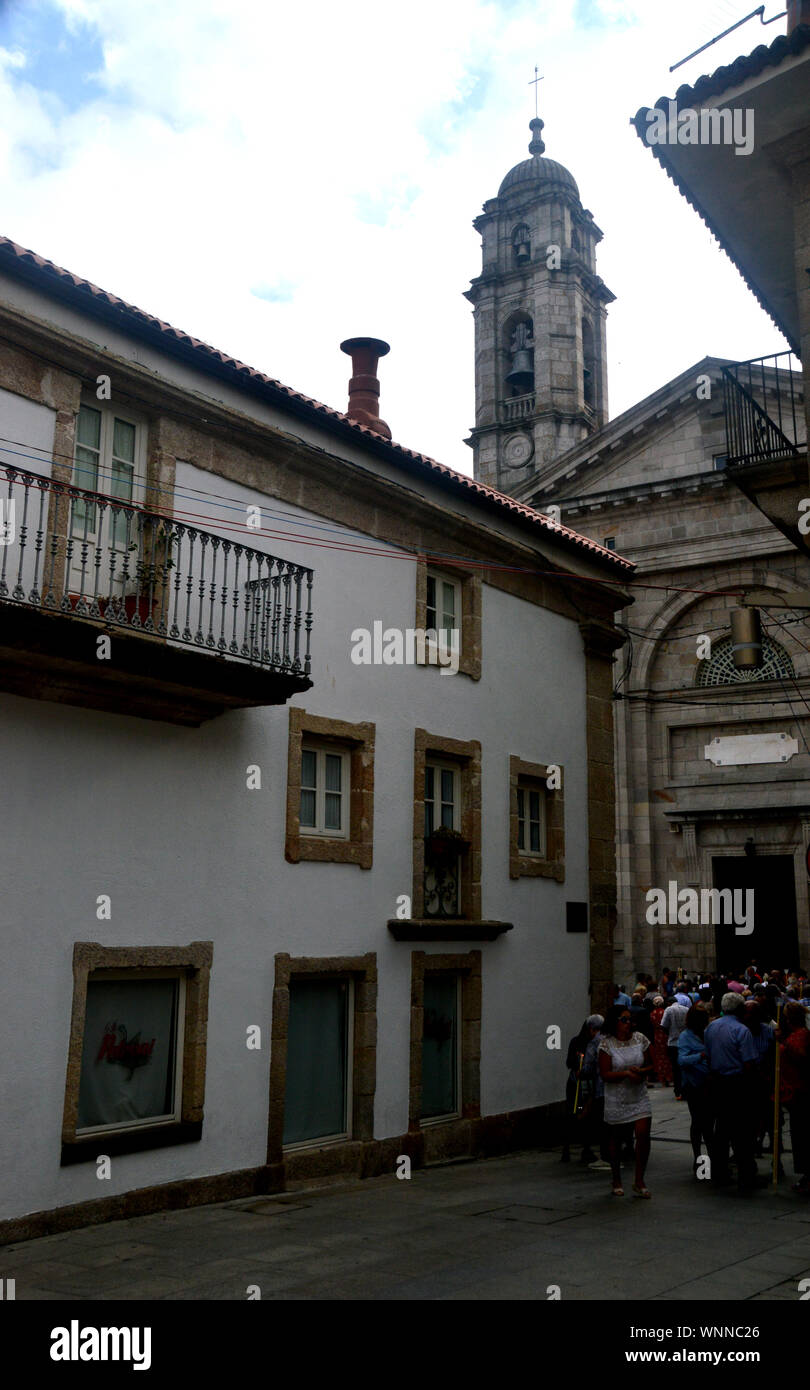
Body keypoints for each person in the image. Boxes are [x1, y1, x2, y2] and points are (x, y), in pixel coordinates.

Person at [704, 992, 762, 1191]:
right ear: (739, 1009)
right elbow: (748, 1062)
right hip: (736, 1084)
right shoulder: (741, 1030)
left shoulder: (711, 1027)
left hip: (717, 1082)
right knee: (741, 1133)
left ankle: (720, 1174)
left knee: (721, 1131)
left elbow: (709, 1055)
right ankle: (746, 1177)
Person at [598, 1004, 654, 1197]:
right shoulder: (607, 1045)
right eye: (624, 1019)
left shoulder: (640, 1039)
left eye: (629, 1019)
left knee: (643, 1134)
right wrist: (626, 1074)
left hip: (639, 1096)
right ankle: (616, 1178)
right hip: (617, 1097)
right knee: (616, 1139)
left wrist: (641, 1072)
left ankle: (639, 1180)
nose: (628, 1023)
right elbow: (605, 1074)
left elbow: (650, 1065)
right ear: (615, 1022)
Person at [777, 1002, 810, 1194]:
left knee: (802, 1135)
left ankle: (807, 1176)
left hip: (800, 1092)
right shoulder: (801, 1035)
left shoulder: (797, 1039)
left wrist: (783, 1047)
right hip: (799, 1091)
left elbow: (799, 1058)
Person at [678, 1004, 713, 1173]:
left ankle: (712, 1158)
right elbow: (682, 1060)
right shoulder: (686, 1037)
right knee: (698, 1122)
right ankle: (699, 1158)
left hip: (709, 1083)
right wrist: (701, 1056)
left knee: (708, 1123)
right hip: (694, 1084)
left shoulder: (707, 1034)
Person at [561, 1017, 601, 1163]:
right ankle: (575, 1147)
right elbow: (570, 1062)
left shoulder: (585, 1042)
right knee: (578, 1112)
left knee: (584, 1115)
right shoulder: (579, 1043)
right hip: (579, 1087)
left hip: (586, 1086)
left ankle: (583, 1147)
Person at [662, 994, 689, 1099]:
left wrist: (669, 1033)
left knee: (675, 1068)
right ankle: (686, 1090)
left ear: (669, 1003)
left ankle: (678, 1091)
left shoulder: (668, 1010)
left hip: (673, 1043)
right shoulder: (686, 1009)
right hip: (685, 1042)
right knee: (685, 1067)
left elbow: (663, 1025)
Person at [650, 996, 672, 1085]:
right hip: (665, 1036)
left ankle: (662, 1077)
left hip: (657, 1036)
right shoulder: (664, 1012)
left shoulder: (652, 1013)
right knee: (667, 1056)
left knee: (659, 1057)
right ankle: (668, 1076)